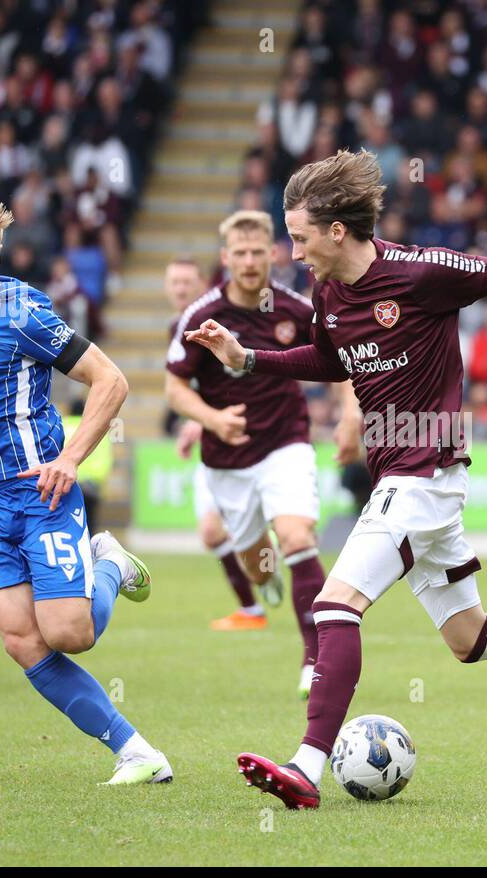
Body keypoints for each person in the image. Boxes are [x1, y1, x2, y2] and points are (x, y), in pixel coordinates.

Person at [188, 150, 487, 809]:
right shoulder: (330, 296)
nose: (290, 251)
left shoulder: (420, 272)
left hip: (427, 473)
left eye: (298, 237)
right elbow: (331, 363)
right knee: (472, 640)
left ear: (336, 231)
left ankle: (305, 767)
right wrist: (249, 360)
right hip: (403, 474)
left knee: (335, 606)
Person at [0, 193, 170, 785]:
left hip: (38, 491)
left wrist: (70, 458)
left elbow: (110, 381)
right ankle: (136, 751)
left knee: (71, 632)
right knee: (20, 639)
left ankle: (110, 563)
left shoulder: (23, 310)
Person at [167, 210, 352, 698]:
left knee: (296, 536)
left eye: (257, 252)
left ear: (272, 254)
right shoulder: (200, 315)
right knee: (260, 564)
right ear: (226, 258)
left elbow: (344, 360)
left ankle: (315, 659)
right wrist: (212, 420)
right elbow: (173, 389)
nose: (249, 262)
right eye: (240, 253)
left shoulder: (295, 308)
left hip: (286, 442)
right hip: (227, 459)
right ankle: (266, 583)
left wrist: (350, 417)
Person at [162, 256, 267, 632]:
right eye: (174, 283)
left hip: (247, 437)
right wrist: (197, 422)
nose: (180, 289)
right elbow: (185, 388)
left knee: (271, 531)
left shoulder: (215, 323)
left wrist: (202, 420)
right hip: (214, 441)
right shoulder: (180, 327)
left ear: (202, 283)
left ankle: (267, 581)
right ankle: (253, 608)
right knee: (211, 533)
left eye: (187, 283)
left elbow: (236, 381)